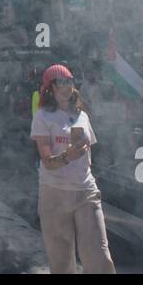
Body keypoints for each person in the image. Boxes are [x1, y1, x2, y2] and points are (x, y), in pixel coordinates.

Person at [30, 65, 115, 274]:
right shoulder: (42, 117)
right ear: (50, 88)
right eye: (60, 83)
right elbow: (47, 161)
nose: (66, 87)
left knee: (99, 256)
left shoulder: (82, 116)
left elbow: (89, 155)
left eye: (69, 81)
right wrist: (68, 156)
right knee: (62, 262)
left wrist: (81, 159)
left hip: (85, 191)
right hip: (54, 193)